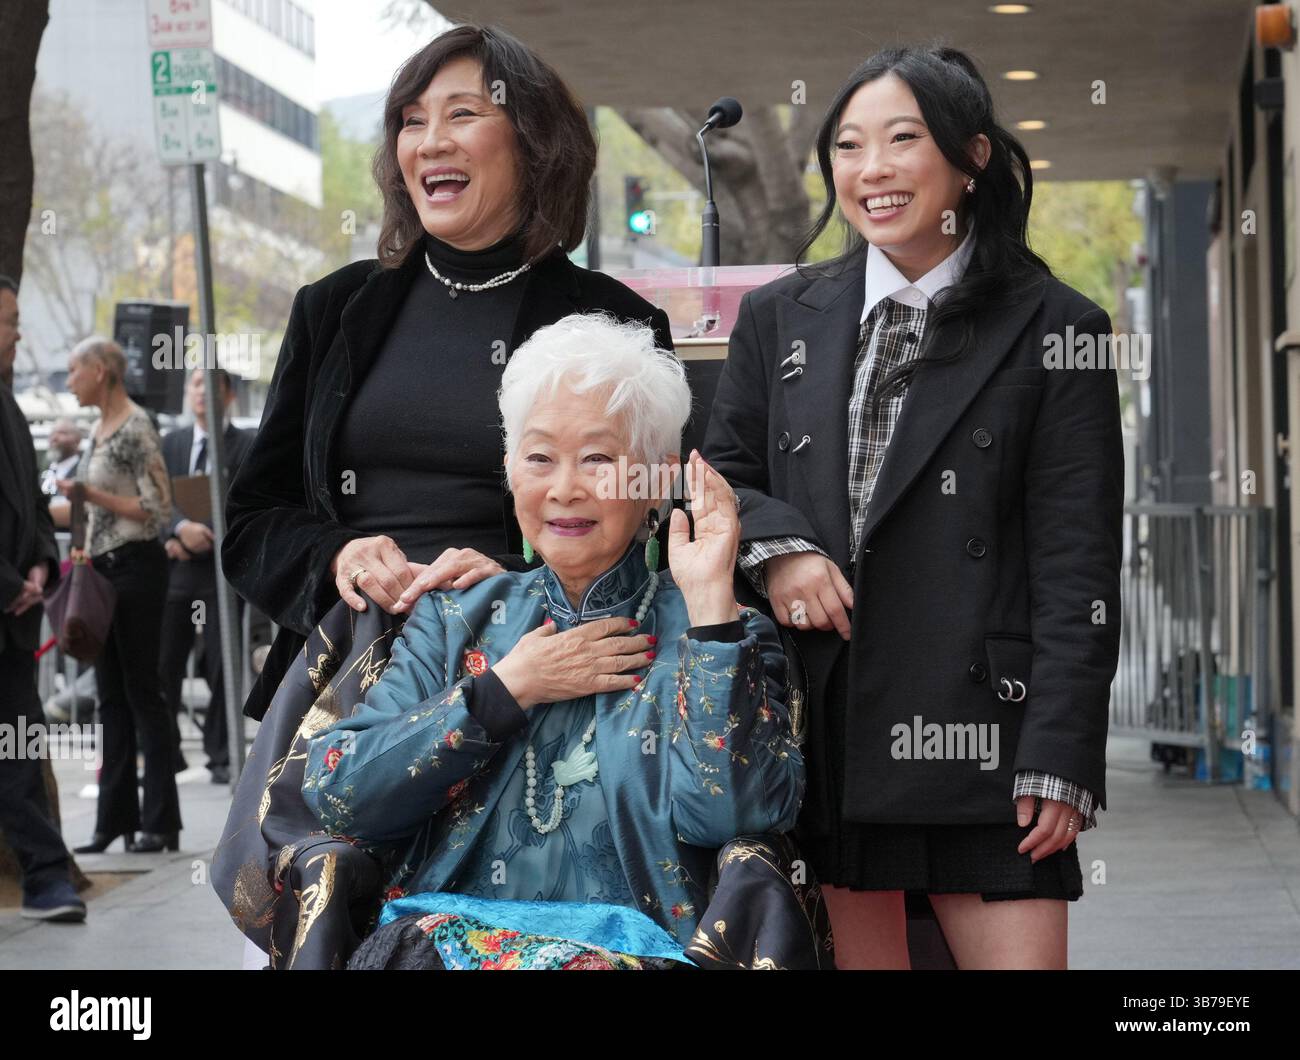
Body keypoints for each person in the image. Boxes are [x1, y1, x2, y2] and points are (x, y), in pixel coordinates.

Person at [703, 45, 1122, 969]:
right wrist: (782, 552)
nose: (872, 170)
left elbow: (1076, 562)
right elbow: (719, 474)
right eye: (848, 146)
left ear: (971, 159)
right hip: (834, 720)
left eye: (904, 139)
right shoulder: (783, 315)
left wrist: (1063, 752)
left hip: (989, 745)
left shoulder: (1057, 327)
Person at [301, 313, 803, 969]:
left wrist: (711, 608)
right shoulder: (457, 619)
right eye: (539, 457)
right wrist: (504, 691)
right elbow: (339, 794)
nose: (564, 488)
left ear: (656, 480)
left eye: (598, 459)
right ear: (509, 470)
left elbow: (735, 820)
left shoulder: (718, 634)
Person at [221, 23, 674, 729]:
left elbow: (656, 519)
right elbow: (253, 524)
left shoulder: (615, 321)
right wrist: (338, 553)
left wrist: (521, 580)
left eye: (462, 114)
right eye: (410, 121)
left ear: (533, 141)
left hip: (539, 674)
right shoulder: (333, 309)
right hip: (349, 680)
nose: (430, 140)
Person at [59, 337, 181, 855]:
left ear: (103, 371)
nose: (69, 381)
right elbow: (94, 510)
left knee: (142, 692)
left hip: (137, 568)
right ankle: (112, 822)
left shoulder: (135, 427)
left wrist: (90, 495)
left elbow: (157, 507)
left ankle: (161, 821)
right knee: (108, 697)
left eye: (74, 370)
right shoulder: (95, 431)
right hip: (102, 569)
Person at [0, 274, 85, 922]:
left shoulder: (9, 406)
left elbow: (30, 504)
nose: (18, 333)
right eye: (8, 321)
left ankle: (46, 874)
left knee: (21, 748)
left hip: (14, 625)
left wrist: (38, 567)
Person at [158, 367, 253, 784]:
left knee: (221, 666)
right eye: (195, 385)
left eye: (210, 387)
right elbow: (156, 499)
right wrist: (177, 531)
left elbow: (249, 503)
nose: (201, 394)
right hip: (177, 571)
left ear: (228, 395)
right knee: (164, 666)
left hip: (221, 572)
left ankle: (220, 754)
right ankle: (166, 753)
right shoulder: (171, 444)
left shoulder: (247, 446)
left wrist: (209, 534)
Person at [43, 418, 83, 530]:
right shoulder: (46, 473)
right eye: (52, 434)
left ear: (77, 440)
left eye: (62, 433)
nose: (54, 438)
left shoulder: (85, 471)